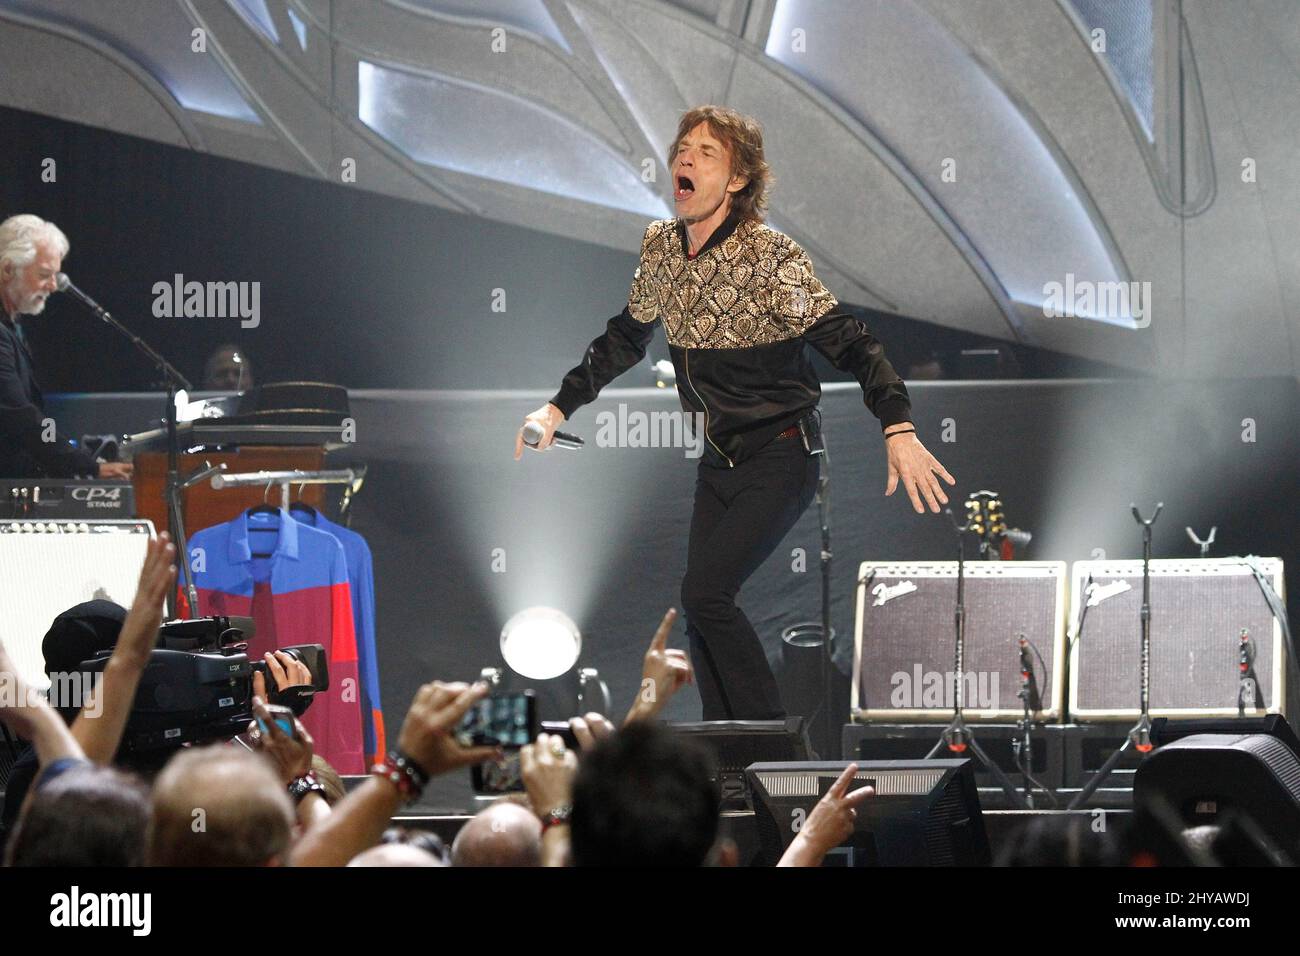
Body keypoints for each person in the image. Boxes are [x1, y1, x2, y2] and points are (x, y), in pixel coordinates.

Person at [515, 106, 954, 720]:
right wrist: (560, 404)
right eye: (682, 149)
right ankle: (729, 753)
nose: (685, 159)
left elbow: (856, 345)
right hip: (717, 460)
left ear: (739, 180)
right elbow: (624, 338)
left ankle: (768, 745)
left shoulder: (769, 258)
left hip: (781, 452)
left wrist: (898, 425)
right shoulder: (662, 248)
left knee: (706, 594)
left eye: (707, 152)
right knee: (701, 611)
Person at [0, 214, 132, 479]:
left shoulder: (13, 326)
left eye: (55, 275)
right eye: (44, 275)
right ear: (6, 269)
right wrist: (87, 467)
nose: (53, 286)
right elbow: (21, 418)